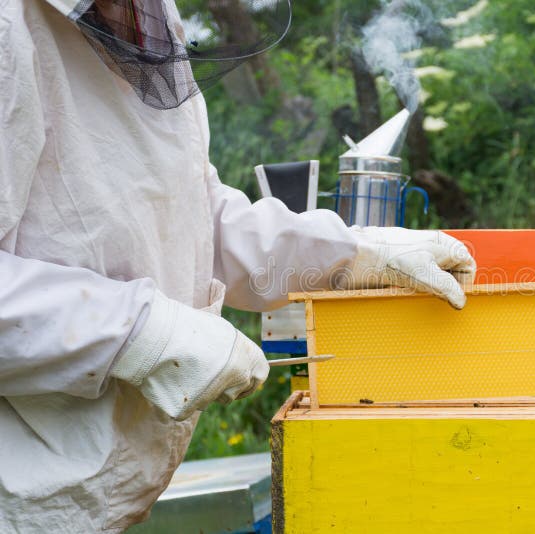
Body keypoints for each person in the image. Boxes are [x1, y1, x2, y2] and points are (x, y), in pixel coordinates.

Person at [0, 1, 476, 531]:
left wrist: (352, 254)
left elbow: (192, 211)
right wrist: (140, 332)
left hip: (104, 498)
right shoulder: (9, 28)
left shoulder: (153, 13)